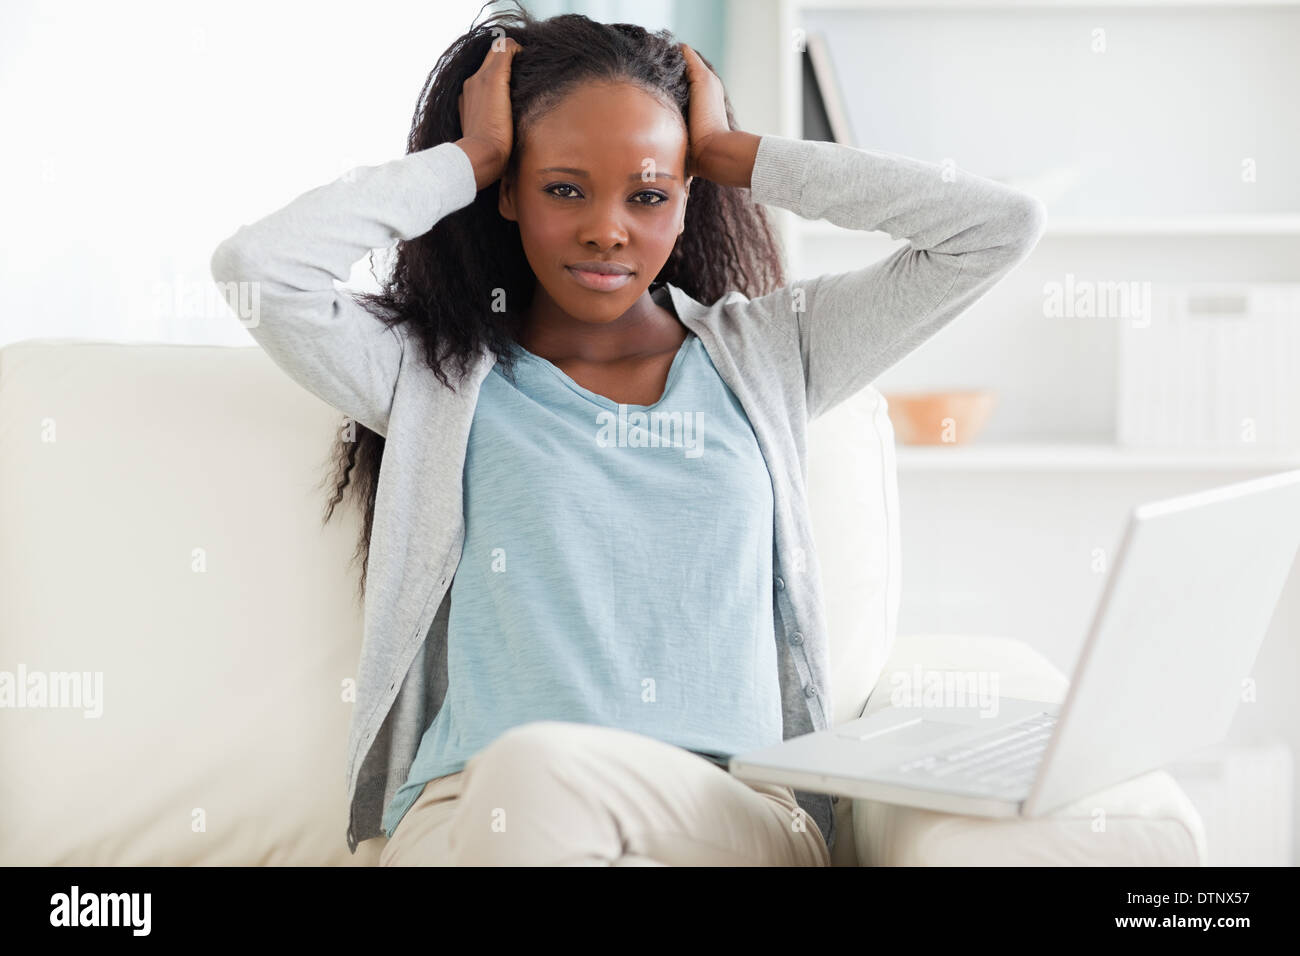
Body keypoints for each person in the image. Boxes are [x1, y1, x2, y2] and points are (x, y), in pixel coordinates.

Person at [210, 2, 1046, 866]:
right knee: (528, 778)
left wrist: (737, 154)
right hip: (469, 812)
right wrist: (468, 159)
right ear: (510, 193)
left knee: (542, 770)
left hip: (722, 809)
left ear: (687, 200)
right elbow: (255, 270)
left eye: (648, 194)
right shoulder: (434, 376)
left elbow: (994, 231)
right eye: (563, 187)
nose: (607, 227)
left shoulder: (771, 356)